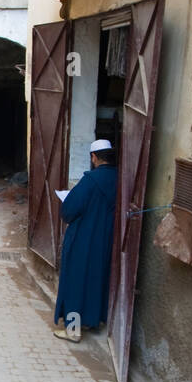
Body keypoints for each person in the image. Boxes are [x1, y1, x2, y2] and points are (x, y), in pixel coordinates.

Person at [53, 138, 118, 342]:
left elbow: (70, 210)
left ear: (94, 157)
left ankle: (73, 330)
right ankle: (91, 320)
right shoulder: (120, 179)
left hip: (83, 240)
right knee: (96, 280)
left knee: (75, 282)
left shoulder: (90, 180)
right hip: (105, 241)